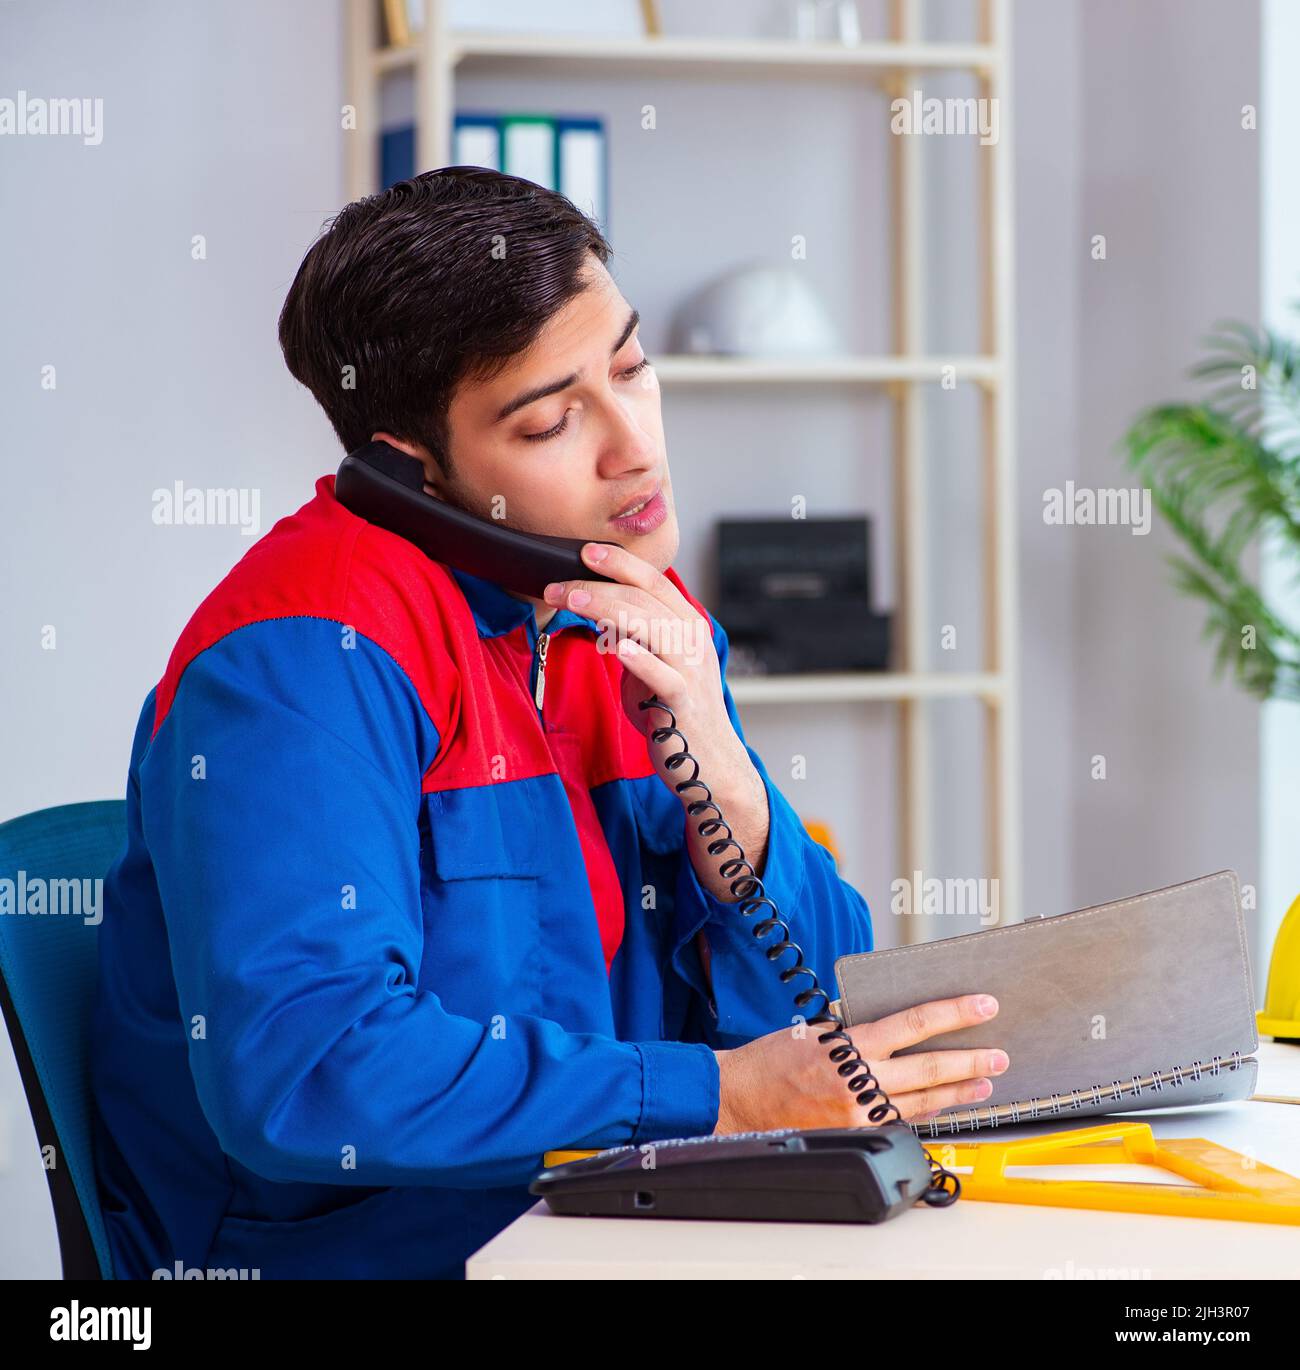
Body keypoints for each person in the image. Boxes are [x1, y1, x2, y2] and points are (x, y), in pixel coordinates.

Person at [90, 167, 1008, 1280]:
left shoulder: (627, 615)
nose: (633, 446)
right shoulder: (299, 663)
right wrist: (717, 1096)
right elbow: (308, 1067)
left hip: (610, 1229)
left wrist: (728, 784)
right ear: (411, 473)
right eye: (550, 419)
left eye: (631, 367)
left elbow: (818, 1021)